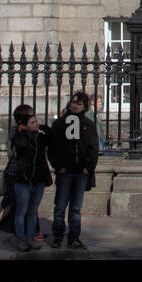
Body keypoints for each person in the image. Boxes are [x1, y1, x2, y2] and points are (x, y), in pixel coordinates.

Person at [48, 90, 100, 250]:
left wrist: (87, 168)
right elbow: (52, 148)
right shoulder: (60, 124)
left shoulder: (88, 124)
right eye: (74, 102)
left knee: (76, 208)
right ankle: (57, 236)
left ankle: (74, 238)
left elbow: (93, 149)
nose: (75, 106)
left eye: (79, 103)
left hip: (80, 172)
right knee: (60, 207)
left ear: (84, 106)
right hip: (65, 171)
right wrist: (59, 167)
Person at [0, 103, 34, 243]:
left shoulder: (17, 130)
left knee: (15, 204)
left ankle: (25, 232)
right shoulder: (20, 132)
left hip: (15, 172)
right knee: (10, 203)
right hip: (16, 172)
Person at [12, 112, 53, 252]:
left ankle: (31, 237)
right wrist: (24, 132)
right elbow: (21, 147)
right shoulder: (20, 137)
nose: (36, 124)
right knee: (21, 211)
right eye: (32, 122)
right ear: (24, 126)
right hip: (23, 179)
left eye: (36, 122)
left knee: (33, 210)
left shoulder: (40, 137)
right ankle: (21, 240)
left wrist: (43, 127)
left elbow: (53, 138)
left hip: (39, 179)